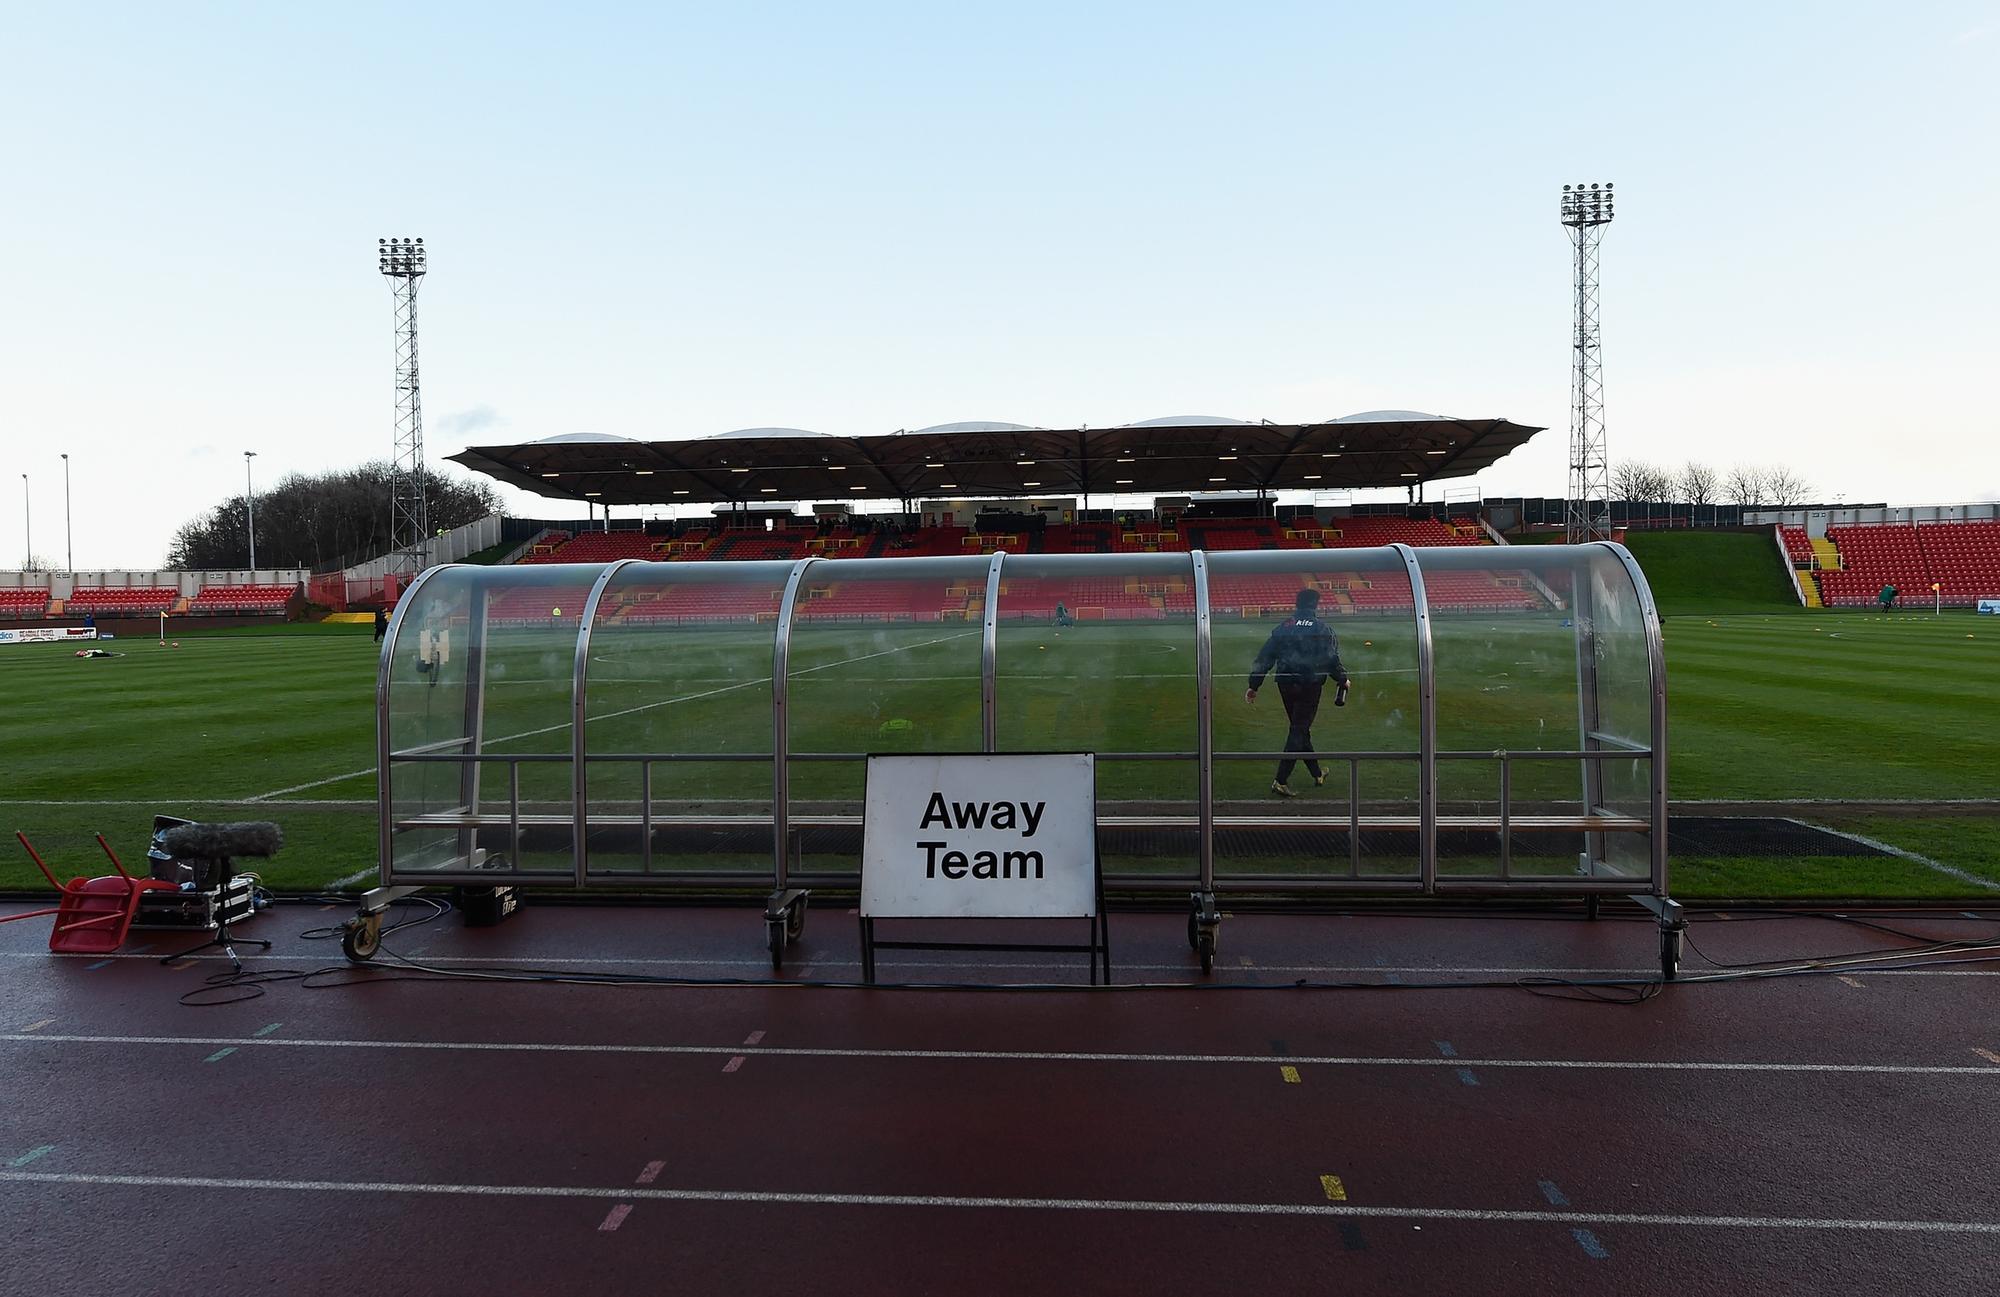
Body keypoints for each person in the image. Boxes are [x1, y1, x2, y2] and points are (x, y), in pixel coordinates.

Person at [1245, 588, 1350, 797]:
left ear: (1297, 604)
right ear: (1315, 605)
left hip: (1285, 683)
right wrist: (1342, 679)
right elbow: (1331, 659)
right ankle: (1280, 780)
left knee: (1300, 729)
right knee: (1298, 730)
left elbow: (1264, 657)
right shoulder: (1322, 628)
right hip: (1309, 685)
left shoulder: (1283, 627)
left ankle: (1317, 772)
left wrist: (1254, 685)